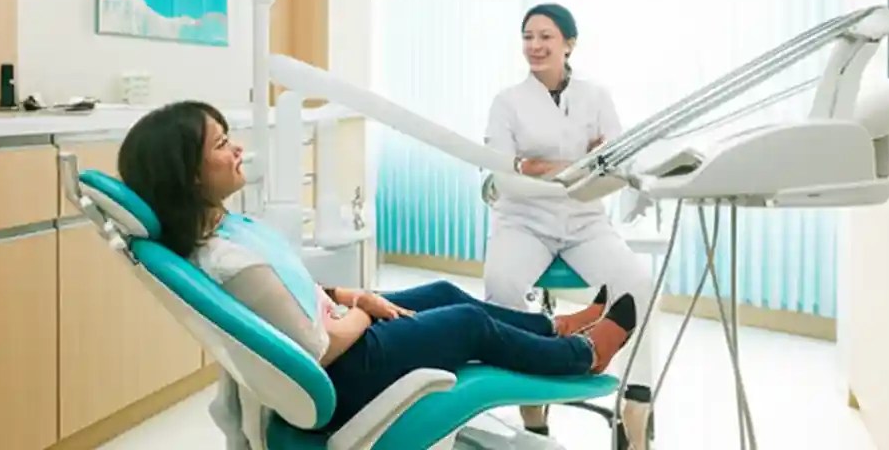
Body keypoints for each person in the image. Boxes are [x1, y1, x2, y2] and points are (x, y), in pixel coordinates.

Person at [117, 100, 639, 444]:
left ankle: (554, 326)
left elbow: (283, 291)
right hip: (344, 372)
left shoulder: (223, 234)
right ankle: (582, 355)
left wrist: (347, 292)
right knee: (465, 324)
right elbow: (318, 349)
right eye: (220, 144)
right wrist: (363, 310)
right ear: (189, 174)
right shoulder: (229, 259)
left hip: (339, 336)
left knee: (437, 289)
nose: (236, 149)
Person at [483, 2, 655, 449]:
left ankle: (634, 411)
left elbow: (617, 163)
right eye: (528, 37)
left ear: (569, 44)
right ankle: (533, 411)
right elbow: (505, 177)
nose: (535, 46)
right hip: (524, 221)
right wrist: (580, 161)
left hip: (583, 222)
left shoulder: (596, 97)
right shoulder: (507, 103)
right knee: (501, 284)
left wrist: (539, 165)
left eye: (546, 37)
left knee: (637, 283)